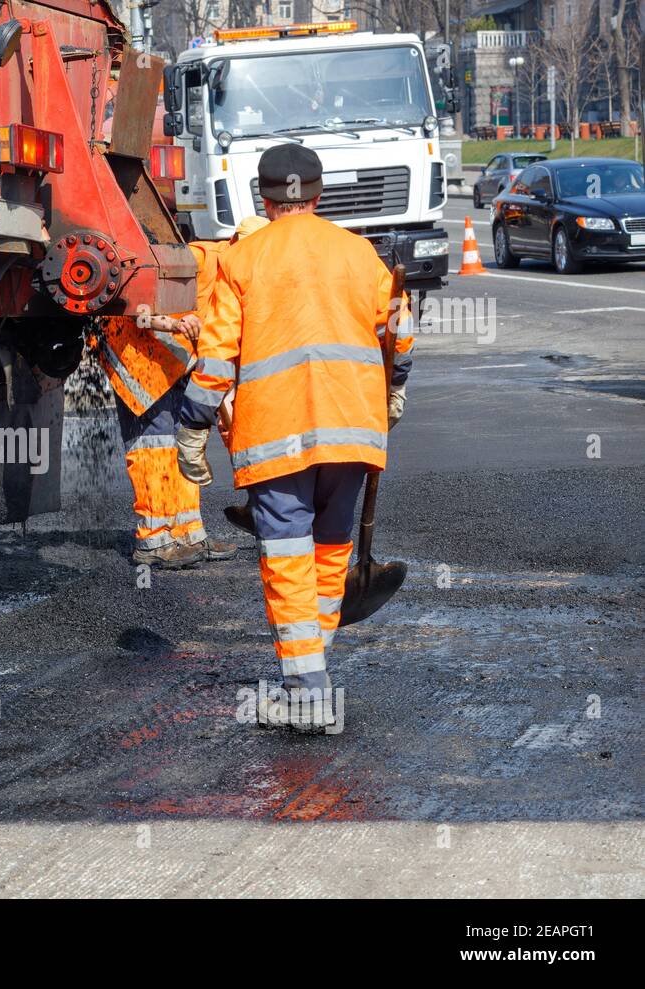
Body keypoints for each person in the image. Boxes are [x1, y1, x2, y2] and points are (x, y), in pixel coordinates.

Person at [174, 144, 413, 729]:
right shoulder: (360, 254)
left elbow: (217, 357)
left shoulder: (242, 260)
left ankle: (307, 694)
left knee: (286, 557)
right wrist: (396, 388)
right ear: (318, 195)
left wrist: (191, 427)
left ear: (264, 198)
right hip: (354, 429)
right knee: (330, 551)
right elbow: (400, 332)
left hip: (277, 434)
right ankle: (314, 670)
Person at [96, 216, 269, 569]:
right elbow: (136, 306)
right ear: (239, 245)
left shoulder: (243, 283)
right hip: (132, 348)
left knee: (184, 442)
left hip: (171, 358)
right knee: (154, 444)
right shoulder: (197, 259)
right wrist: (172, 323)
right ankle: (153, 541)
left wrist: (228, 415)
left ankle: (188, 533)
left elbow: (222, 352)